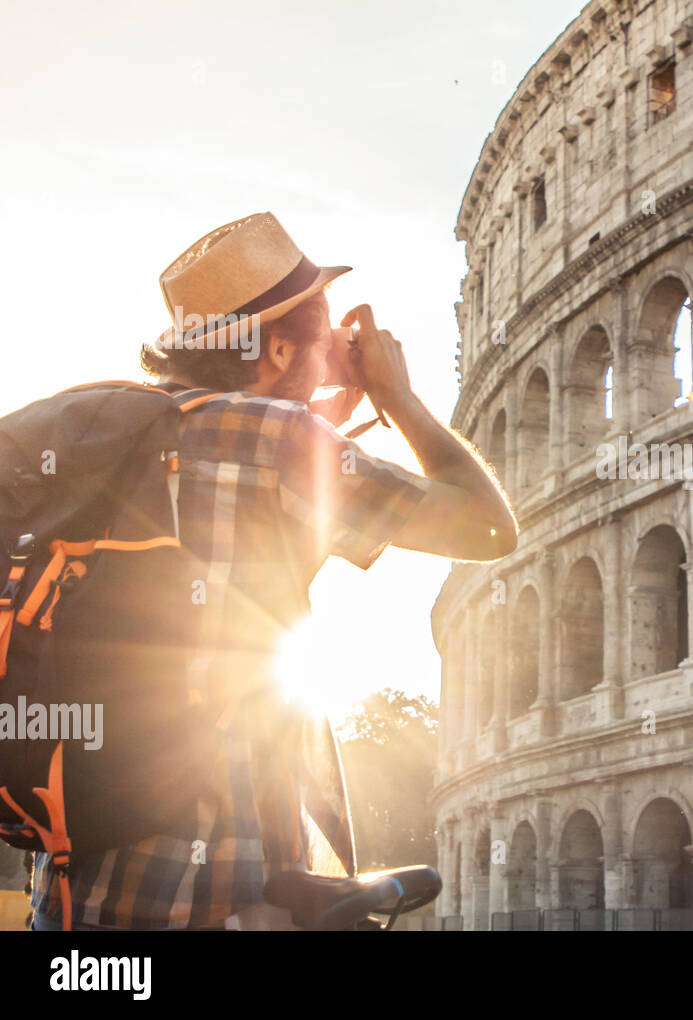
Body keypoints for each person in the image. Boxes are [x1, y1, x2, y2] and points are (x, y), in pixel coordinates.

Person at [28, 211, 515, 930]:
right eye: (318, 348)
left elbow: (244, 497)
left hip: (76, 898)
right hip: (220, 899)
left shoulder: (109, 432)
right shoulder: (282, 442)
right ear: (280, 350)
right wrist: (396, 398)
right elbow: (487, 527)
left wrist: (312, 401)